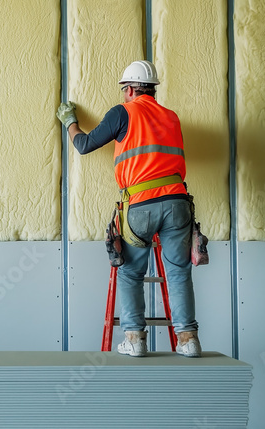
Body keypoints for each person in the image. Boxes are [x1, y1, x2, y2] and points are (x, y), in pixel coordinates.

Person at [55, 60, 201, 358]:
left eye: (125, 91)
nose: (124, 95)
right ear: (153, 89)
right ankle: (188, 340)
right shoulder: (171, 117)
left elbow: (83, 145)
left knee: (131, 273)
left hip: (141, 205)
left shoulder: (123, 112)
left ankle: (134, 339)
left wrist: (70, 121)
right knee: (179, 273)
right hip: (177, 203)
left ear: (131, 89)